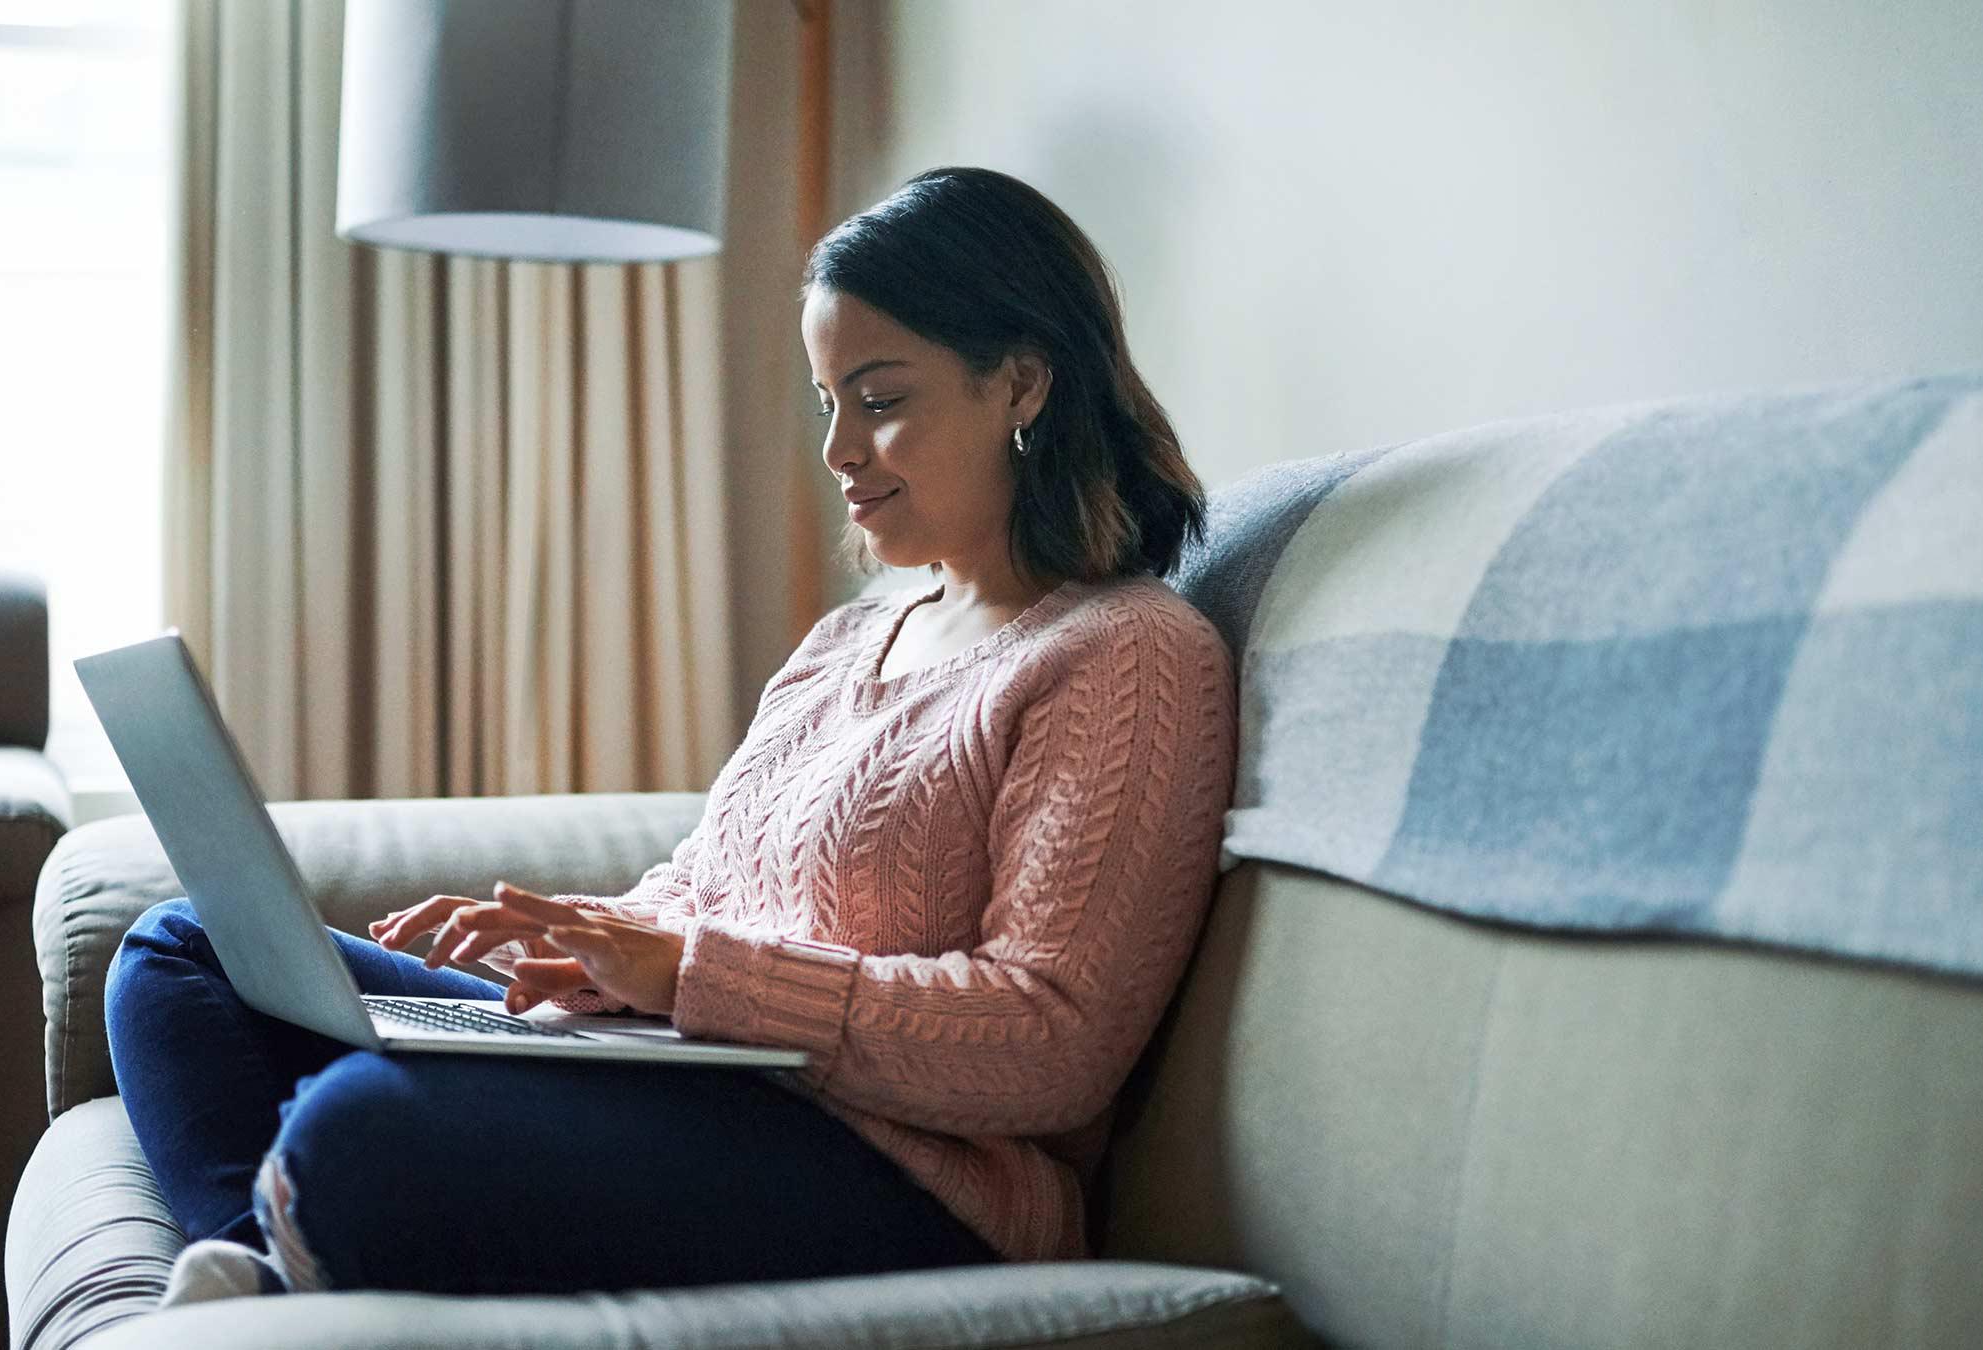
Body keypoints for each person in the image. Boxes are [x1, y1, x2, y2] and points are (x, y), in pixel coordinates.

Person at [103, 165, 1238, 1306]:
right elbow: (708, 879)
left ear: (1023, 384)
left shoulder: (1126, 654)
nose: (839, 449)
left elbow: (1051, 1043)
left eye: (881, 400)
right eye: (826, 401)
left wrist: (691, 977)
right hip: (682, 1079)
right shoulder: (850, 640)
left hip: (904, 1178)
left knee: (355, 1127)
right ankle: (263, 1262)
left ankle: (287, 1241)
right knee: (179, 955)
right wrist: (579, 947)